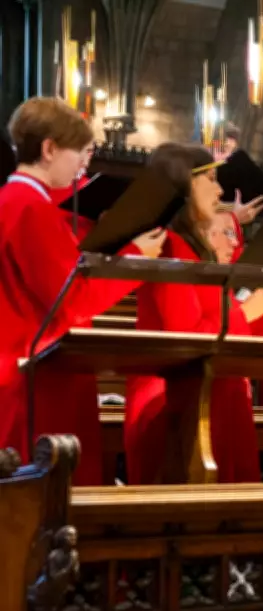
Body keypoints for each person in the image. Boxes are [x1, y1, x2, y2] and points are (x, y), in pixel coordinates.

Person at [0, 96, 165, 484]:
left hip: (27, 371)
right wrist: (135, 260)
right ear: (49, 149)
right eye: (79, 151)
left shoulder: (12, 200)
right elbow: (70, 301)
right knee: (45, 505)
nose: (81, 164)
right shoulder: (30, 206)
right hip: (39, 377)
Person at [123, 143, 263, 484]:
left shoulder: (194, 248)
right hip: (178, 405)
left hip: (210, 394)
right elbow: (187, 333)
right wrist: (245, 313)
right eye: (210, 179)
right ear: (184, 184)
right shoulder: (171, 248)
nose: (219, 190)